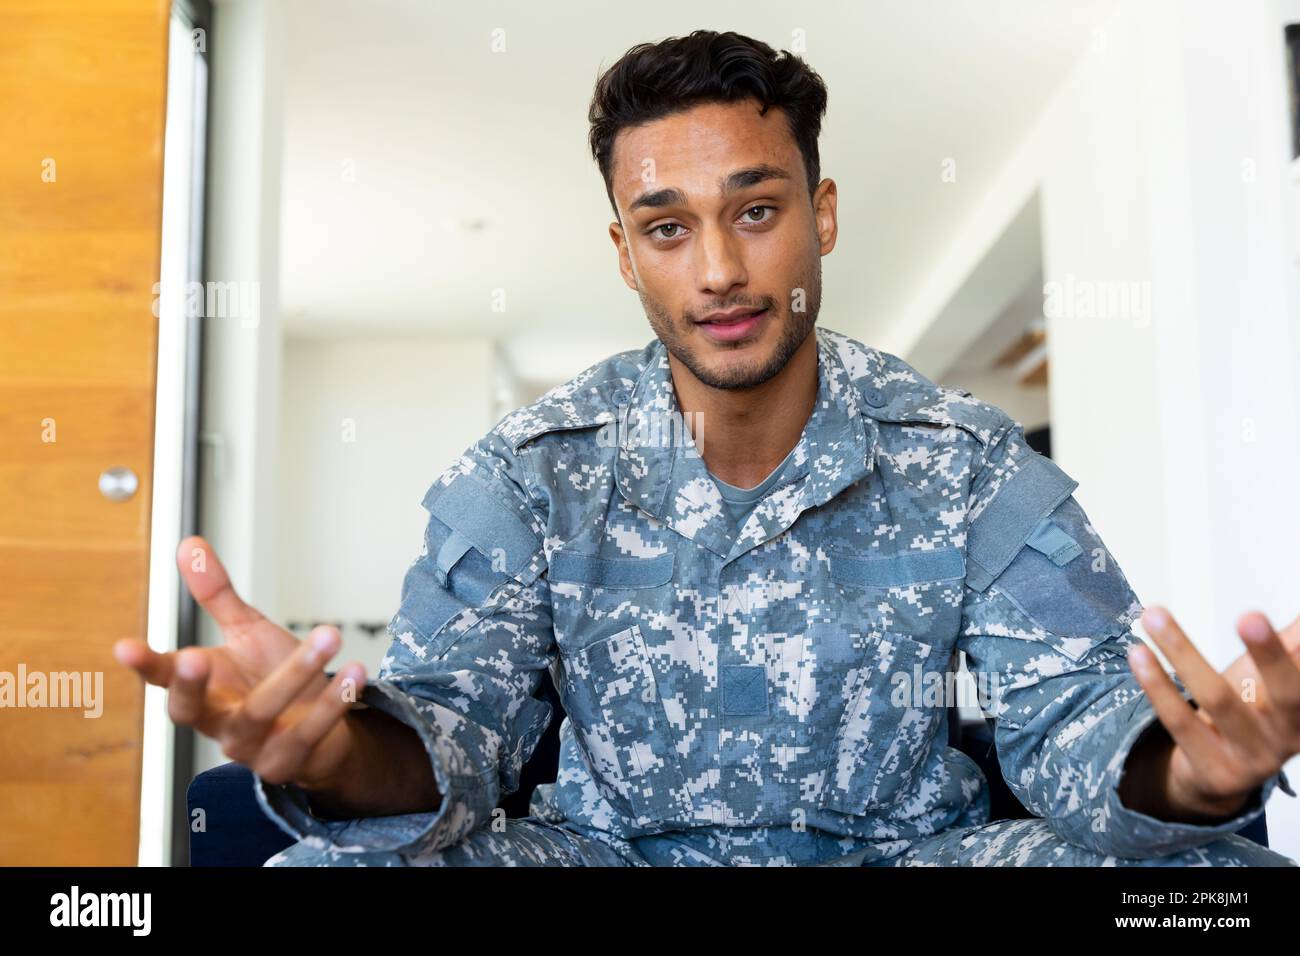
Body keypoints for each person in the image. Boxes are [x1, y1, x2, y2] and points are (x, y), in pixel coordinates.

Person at [117, 29, 1298, 867]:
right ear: (626, 254)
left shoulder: (969, 461)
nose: (720, 270)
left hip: (907, 857)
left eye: (756, 210)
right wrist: (332, 751)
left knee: (1215, 892)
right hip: (606, 858)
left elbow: (1077, 729)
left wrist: (1196, 774)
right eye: (667, 228)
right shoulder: (529, 472)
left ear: (819, 214)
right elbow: (454, 749)